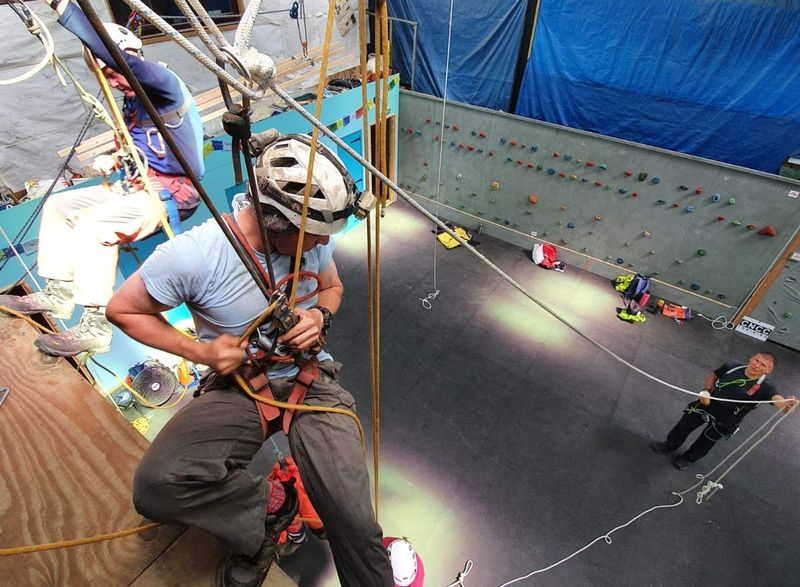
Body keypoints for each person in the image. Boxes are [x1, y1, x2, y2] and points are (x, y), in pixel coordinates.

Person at [105, 132, 391, 587]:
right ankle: (267, 515)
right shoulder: (194, 255)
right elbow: (122, 309)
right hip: (238, 387)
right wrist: (200, 351)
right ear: (275, 219)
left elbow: (332, 289)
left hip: (307, 377)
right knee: (158, 486)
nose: (320, 242)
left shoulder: (314, 241)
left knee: (355, 522)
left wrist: (319, 316)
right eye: (312, 233)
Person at [0, 0, 204, 356]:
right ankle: (60, 292)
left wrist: (63, 8)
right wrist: (116, 158)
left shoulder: (162, 84)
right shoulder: (129, 102)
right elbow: (141, 146)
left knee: (96, 227)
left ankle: (95, 326)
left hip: (173, 194)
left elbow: (117, 59)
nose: (111, 80)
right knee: (61, 204)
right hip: (138, 188)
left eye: (114, 71)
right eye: (104, 75)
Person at [651, 352, 797, 469]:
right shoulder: (732, 367)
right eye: (756, 360)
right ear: (751, 358)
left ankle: (688, 458)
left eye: (763, 364)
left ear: (768, 370)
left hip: (726, 420)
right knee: (683, 425)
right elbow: (713, 376)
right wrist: (706, 391)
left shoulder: (766, 388)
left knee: (706, 441)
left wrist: (788, 404)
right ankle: (669, 445)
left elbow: (779, 402)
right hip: (705, 405)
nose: (757, 365)